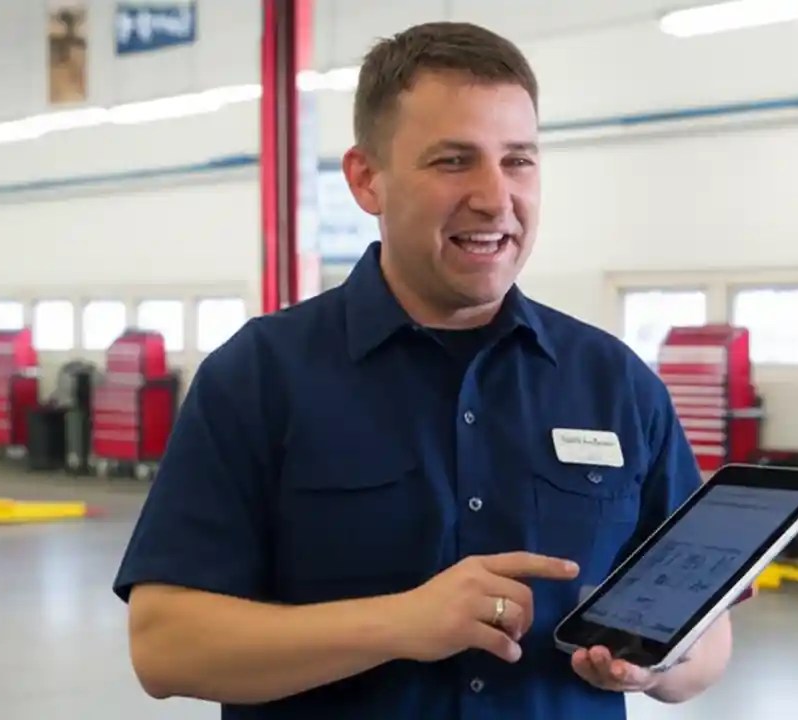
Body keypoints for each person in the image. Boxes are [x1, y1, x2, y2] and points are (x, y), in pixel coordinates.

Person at [112, 21, 733, 719]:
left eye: (519, 160)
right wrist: (404, 624)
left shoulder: (616, 384)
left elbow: (708, 642)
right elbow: (166, 647)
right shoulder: (261, 377)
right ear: (366, 178)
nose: (496, 197)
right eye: (453, 161)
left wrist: (655, 664)